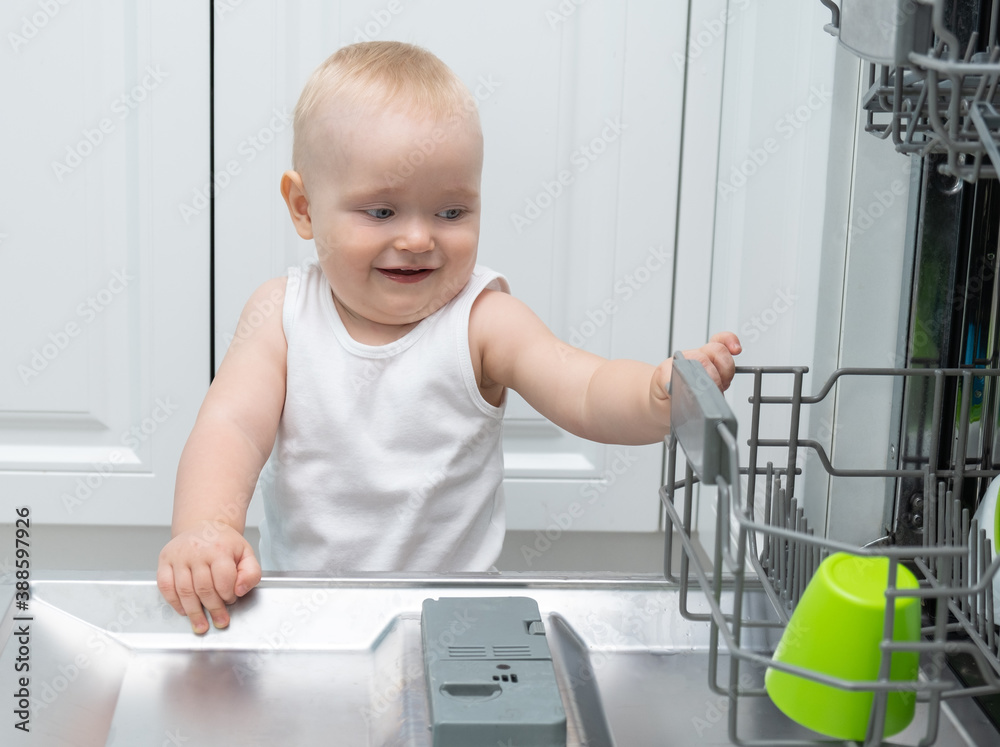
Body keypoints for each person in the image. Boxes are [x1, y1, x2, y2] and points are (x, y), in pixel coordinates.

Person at [157, 41, 741, 634]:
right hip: (305, 615)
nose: (417, 238)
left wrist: (656, 392)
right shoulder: (282, 315)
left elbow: (585, 387)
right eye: (381, 213)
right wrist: (207, 525)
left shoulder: (481, 320)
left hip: (459, 627)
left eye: (451, 213)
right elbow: (229, 427)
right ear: (304, 207)